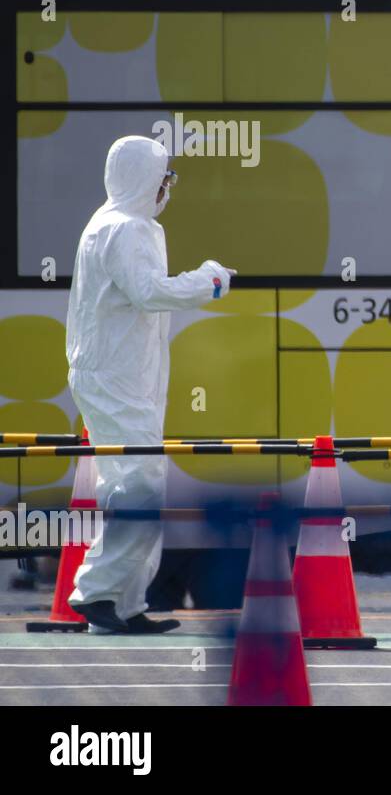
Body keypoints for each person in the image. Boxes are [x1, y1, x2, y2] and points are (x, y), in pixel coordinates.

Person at [66, 135, 234, 634]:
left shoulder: (117, 224)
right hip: (117, 376)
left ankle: (122, 606)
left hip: (123, 373)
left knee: (127, 484)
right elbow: (150, 291)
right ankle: (95, 591)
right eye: (165, 177)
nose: (168, 187)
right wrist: (210, 280)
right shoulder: (126, 229)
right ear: (145, 178)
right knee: (142, 488)